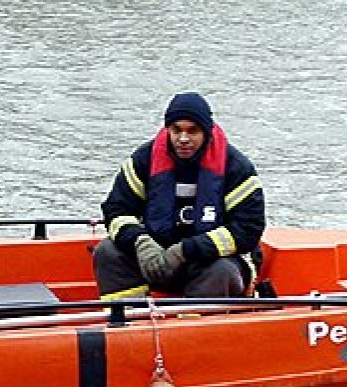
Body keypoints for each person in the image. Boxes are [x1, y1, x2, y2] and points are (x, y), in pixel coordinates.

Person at [93, 90, 266, 299]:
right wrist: (141, 243)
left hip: (207, 262)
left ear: (206, 132)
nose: (183, 139)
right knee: (108, 252)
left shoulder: (236, 169)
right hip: (155, 258)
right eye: (176, 130)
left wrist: (187, 250)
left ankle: (195, 326)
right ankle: (127, 320)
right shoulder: (143, 161)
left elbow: (248, 230)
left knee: (222, 271)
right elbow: (116, 210)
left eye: (192, 131)